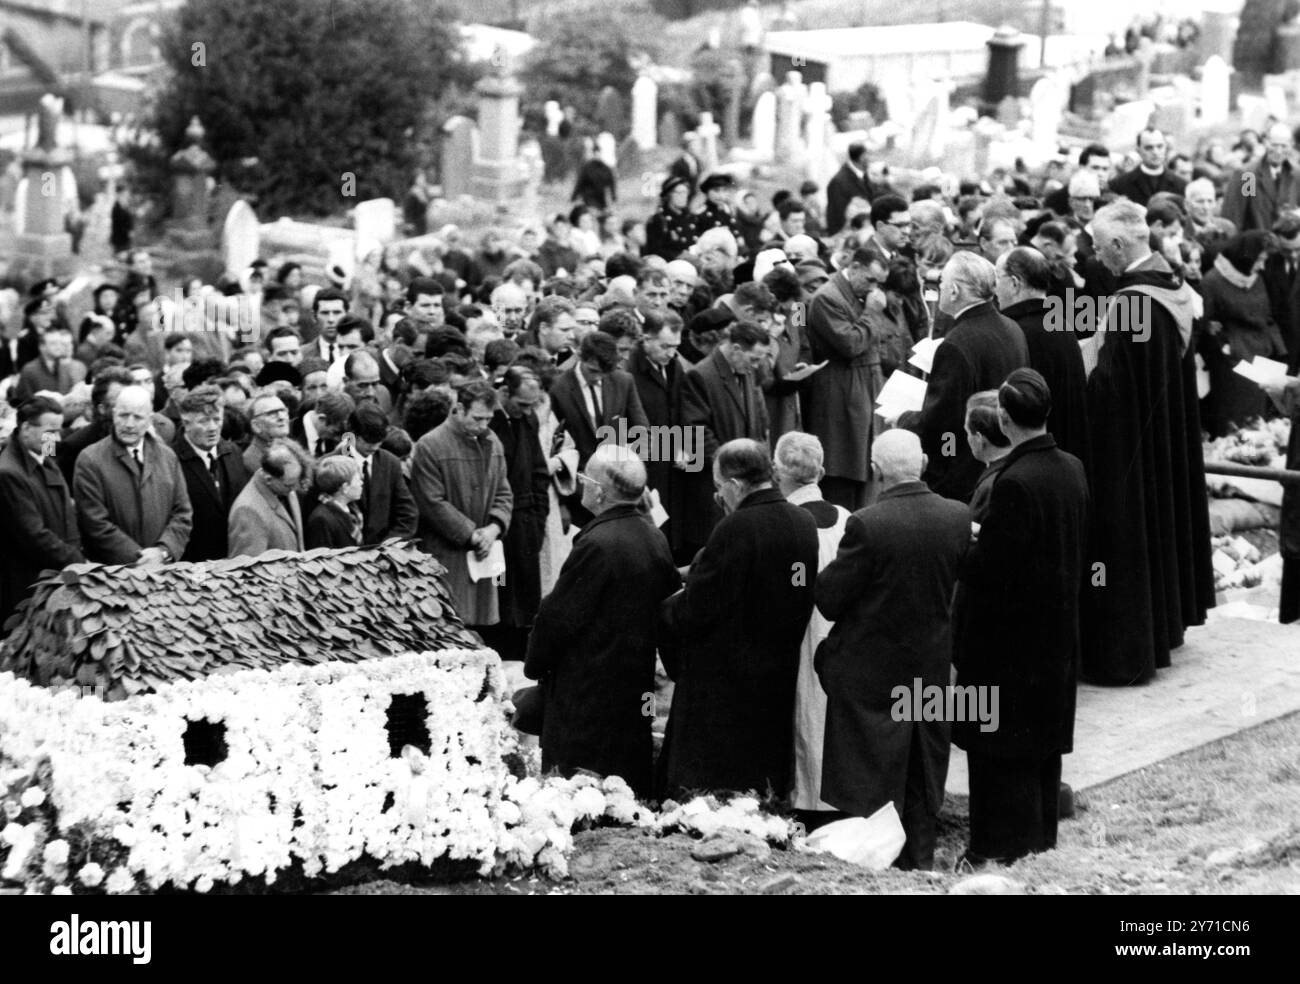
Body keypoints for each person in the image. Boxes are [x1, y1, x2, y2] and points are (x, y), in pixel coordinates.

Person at [815, 429, 970, 869]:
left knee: (872, 780)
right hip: (932, 666)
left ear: (876, 470)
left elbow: (829, 599)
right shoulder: (957, 516)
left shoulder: (867, 524)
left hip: (872, 674)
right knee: (923, 775)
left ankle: (876, 865)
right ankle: (920, 865)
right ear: (922, 463)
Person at [954, 369, 1089, 866]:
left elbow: (991, 570)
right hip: (1056, 632)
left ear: (1005, 421)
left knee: (999, 752)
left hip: (1008, 641)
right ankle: (1039, 840)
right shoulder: (1071, 467)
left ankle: (997, 846)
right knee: (1040, 751)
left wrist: (965, 545)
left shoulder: (1013, 482)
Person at [1084, 200, 1213, 684]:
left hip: (1131, 448)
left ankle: (1128, 652)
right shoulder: (1172, 285)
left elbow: (1112, 389)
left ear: (1120, 245)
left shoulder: (1132, 303)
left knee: (1128, 533)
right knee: (1164, 519)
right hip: (1165, 438)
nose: (1097, 257)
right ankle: (1168, 625)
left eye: (1099, 248)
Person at [658, 439, 819, 800]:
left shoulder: (737, 528)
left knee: (712, 790)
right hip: (778, 669)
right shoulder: (803, 520)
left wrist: (664, 609)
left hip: (726, 682)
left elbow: (699, 608)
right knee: (759, 785)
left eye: (719, 488)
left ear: (733, 484)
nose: (719, 497)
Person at [524, 444, 680, 798]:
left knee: (578, 793)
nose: (580, 484)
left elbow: (557, 619)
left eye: (583, 478)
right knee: (624, 792)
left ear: (597, 490)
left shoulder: (597, 544)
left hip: (585, 693)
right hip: (633, 687)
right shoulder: (653, 537)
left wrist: (535, 665)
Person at [898, 252, 1028, 503]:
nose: (941, 288)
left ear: (955, 291)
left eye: (943, 283)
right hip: (1005, 457)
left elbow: (943, 420)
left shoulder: (957, 342)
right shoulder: (1012, 327)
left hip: (962, 470)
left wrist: (905, 419)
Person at [773, 432, 850, 825]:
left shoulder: (783, 521)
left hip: (800, 626)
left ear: (780, 472)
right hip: (838, 628)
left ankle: (808, 801)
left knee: (805, 710)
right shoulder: (847, 518)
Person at [409, 380, 513, 631]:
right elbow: (432, 502)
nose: (484, 425)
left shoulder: (492, 442)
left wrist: (493, 529)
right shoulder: (430, 445)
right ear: (458, 409)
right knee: (448, 624)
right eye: (477, 418)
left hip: (483, 552)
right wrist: (471, 534)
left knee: (481, 628)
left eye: (488, 419)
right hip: (447, 554)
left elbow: (504, 492)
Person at [805, 247, 891, 510]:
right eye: (870, 280)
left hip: (867, 387)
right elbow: (850, 344)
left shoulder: (862, 296)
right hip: (842, 391)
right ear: (853, 268)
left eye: (879, 283)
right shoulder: (826, 298)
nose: (875, 289)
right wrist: (872, 313)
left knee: (867, 468)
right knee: (842, 468)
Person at [994, 247, 1092, 473]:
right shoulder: (1060, 323)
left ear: (1015, 283)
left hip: (1032, 463)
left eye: (997, 278)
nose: (994, 288)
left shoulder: (1016, 331)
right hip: (1067, 457)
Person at [677, 320, 770, 555]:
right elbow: (696, 432)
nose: (756, 366)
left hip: (743, 483)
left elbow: (755, 423)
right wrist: (734, 466)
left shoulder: (745, 371)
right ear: (736, 349)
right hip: (717, 485)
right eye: (754, 359)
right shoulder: (701, 375)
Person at [73, 385, 193, 565]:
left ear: (149, 420)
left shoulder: (168, 457)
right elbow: (95, 523)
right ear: (113, 414)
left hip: (161, 571)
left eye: (137, 417)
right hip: (113, 574)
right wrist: (140, 559)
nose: (129, 424)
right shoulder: (89, 458)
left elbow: (182, 513)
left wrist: (163, 551)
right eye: (123, 415)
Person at [484, 367, 550, 662]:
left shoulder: (528, 419)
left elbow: (538, 471)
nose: (527, 411)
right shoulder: (489, 424)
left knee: (525, 600)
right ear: (504, 393)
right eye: (522, 404)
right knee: (500, 594)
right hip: (496, 524)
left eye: (531, 405)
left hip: (525, 523)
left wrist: (538, 518)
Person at [0, 396, 84, 626]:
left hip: (55, 575)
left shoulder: (45, 450)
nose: (56, 439)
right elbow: (34, 534)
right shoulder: (8, 473)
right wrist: (77, 561)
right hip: (29, 586)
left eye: (59, 430)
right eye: (51, 431)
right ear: (26, 427)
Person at [1199, 230, 1287, 435]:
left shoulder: (1257, 278)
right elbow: (1204, 326)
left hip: (1261, 361)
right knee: (1236, 426)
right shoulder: (1212, 282)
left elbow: (1267, 317)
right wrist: (1225, 346)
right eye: (1259, 260)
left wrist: (1278, 349)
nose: (1261, 266)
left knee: (1257, 425)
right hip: (1233, 366)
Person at [173, 385, 251, 561]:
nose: (212, 428)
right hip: (193, 565)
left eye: (217, 419)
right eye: (203, 421)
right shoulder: (171, 461)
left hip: (234, 561)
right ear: (186, 423)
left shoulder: (233, 453)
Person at [323, 402, 417, 546]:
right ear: (352, 434)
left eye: (378, 441)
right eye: (367, 441)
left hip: (384, 553)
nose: (373, 446)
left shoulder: (390, 463)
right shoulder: (330, 465)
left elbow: (408, 514)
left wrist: (387, 547)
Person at [227, 439, 309, 556]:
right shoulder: (247, 511)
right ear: (268, 479)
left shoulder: (286, 487)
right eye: (289, 485)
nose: (295, 488)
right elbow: (248, 569)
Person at [1221, 122, 1298, 233]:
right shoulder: (1249, 176)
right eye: (1274, 145)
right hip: (1257, 245)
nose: (1278, 151)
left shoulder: (1296, 175)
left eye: (1284, 146)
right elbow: (1234, 217)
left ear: (1291, 146)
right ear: (1266, 143)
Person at [964, 392, 1012, 522]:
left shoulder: (989, 488)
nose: (967, 438)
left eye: (967, 432)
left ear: (979, 439)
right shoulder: (1029, 464)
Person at [1108, 127, 1186, 206]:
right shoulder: (1118, 185)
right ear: (1138, 151)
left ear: (1165, 148)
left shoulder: (1181, 186)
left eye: (1159, 146)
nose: (1155, 152)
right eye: (1149, 148)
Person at [11, 323, 85, 403]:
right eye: (53, 343)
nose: (58, 346)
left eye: (60, 343)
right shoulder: (29, 370)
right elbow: (24, 402)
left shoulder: (65, 367)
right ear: (42, 347)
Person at [305, 455, 364, 549]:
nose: (361, 483)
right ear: (345, 488)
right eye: (358, 480)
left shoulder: (352, 509)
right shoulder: (321, 520)